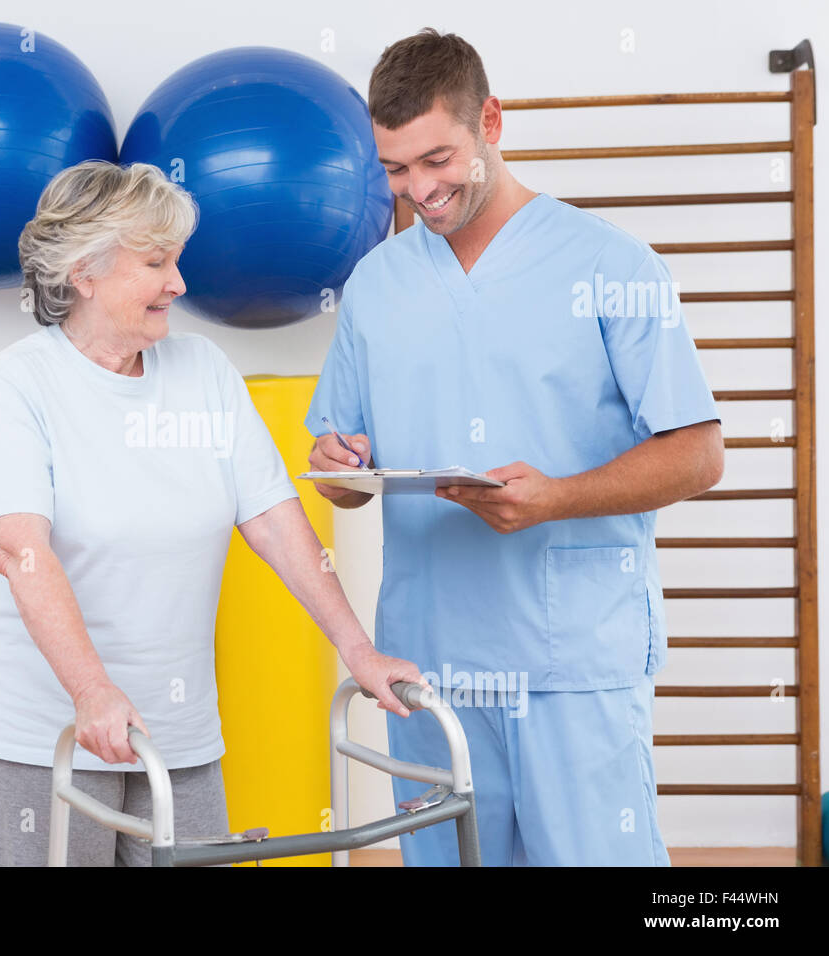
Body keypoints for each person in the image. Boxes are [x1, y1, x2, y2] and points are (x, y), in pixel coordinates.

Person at [306, 29, 724, 866]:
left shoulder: (613, 263)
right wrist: (337, 469)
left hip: (571, 661)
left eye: (438, 159)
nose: (419, 189)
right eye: (395, 169)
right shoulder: (376, 285)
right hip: (430, 663)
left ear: (491, 121)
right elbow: (339, 472)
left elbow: (699, 453)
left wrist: (559, 497)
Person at [0, 160, 428, 867]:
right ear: (84, 271)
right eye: (156, 262)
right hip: (47, 729)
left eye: (178, 260)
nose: (178, 283)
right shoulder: (18, 382)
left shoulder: (204, 370)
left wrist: (357, 650)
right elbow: (20, 549)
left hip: (178, 732)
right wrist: (92, 692)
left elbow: (274, 521)